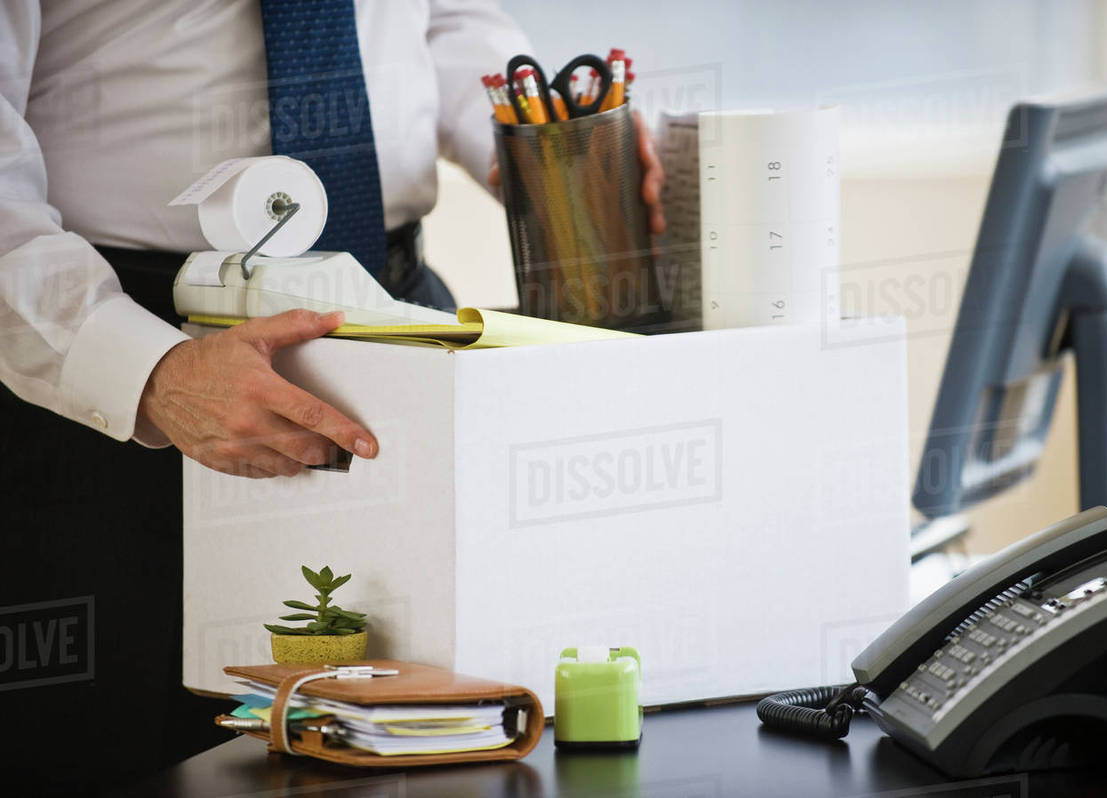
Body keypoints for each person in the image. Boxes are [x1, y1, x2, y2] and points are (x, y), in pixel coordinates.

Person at [0, 1, 664, 794]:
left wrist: (530, 144)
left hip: (396, 315)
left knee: (424, 739)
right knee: (122, 749)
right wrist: (150, 371)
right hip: (128, 369)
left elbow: (448, 17)